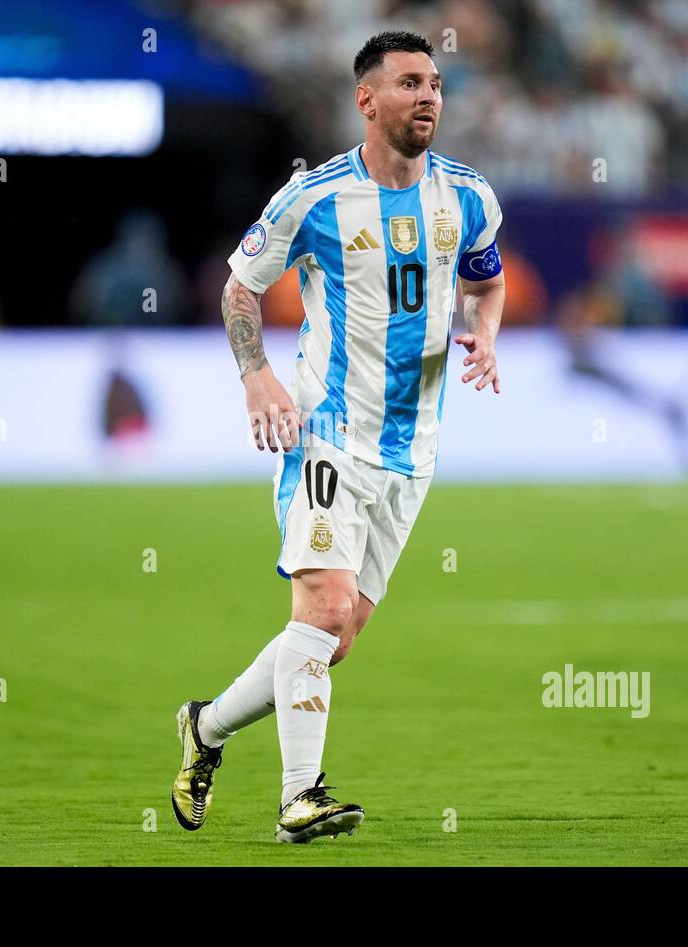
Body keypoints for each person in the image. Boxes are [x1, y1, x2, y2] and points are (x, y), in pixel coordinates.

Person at [171, 31, 505, 843]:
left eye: (435, 83)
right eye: (409, 83)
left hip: (411, 452)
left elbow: (485, 277)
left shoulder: (467, 196)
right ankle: (300, 797)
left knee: (334, 636)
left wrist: (486, 334)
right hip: (325, 434)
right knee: (319, 607)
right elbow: (240, 288)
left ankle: (205, 728)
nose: (428, 97)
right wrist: (257, 378)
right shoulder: (313, 198)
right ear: (367, 100)